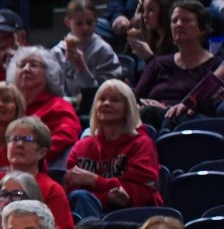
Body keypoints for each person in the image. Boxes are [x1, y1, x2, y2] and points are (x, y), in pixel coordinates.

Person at [65, 81, 160, 217]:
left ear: (128, 108)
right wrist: (106, 197)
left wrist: (93, 180)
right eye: (102, 99)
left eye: (115, 100)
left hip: (132, 216)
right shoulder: (81, 147)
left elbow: (144, 192)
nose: (106, 103)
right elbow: (71, 191)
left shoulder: (142, 144)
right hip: (88, 211)